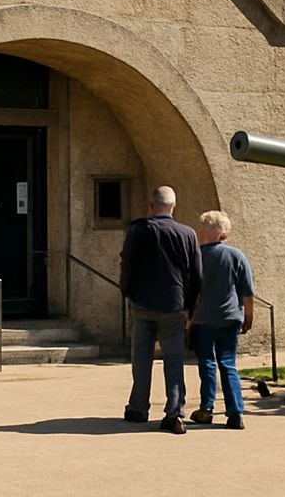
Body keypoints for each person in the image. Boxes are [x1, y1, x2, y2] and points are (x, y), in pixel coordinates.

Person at [119, 185, 203, 434]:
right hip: (174, 305)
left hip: (142, 303)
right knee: (174, 360)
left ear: (150, 205)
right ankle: (174, 412)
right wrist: (190, 307)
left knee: (141, 359)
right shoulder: (187, 234)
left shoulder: (137, 231)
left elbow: (127, 264)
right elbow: (197, 275)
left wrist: (127, 292)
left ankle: (138, 408)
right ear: (173, 207)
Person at [189, 210, 254, 430]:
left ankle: (207, 408)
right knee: (228, 363)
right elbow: (247, 290)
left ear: (205, 230)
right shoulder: (236, 255)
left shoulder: (196, 256)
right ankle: (235, 411)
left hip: (204, 317)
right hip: (230, 316)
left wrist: (189, 316)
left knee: (207, 361)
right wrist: (248, 316)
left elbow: (192, 292)